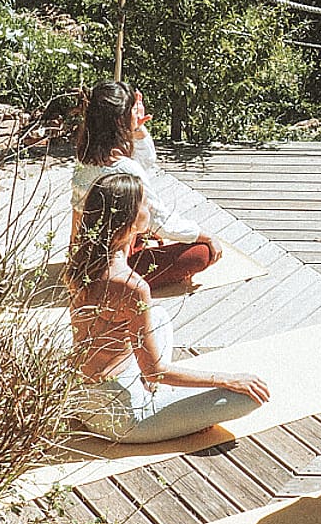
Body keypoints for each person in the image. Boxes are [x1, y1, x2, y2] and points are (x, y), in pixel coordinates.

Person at [66, 172, 269, 443]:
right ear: (128, 219)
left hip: (84, 395)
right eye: (144, 202)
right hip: (121, 418)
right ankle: (165, 413)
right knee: (247, 397)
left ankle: (159, 401)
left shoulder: (82, 262)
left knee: (158, 315)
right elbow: (156, 371)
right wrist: (227, 379)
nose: (149, 206)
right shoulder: (130, 285)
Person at [71, 79, 221, 291]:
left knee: (140, 225)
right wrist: (205, 235)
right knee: (201, 253)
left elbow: (146, 160)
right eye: (133, 109)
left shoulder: (85, 156)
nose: (137, 112)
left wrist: (138, 129)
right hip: (115, 262)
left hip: (90, 256)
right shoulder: (125, 169)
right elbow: (160, 221)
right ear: (120, 120)